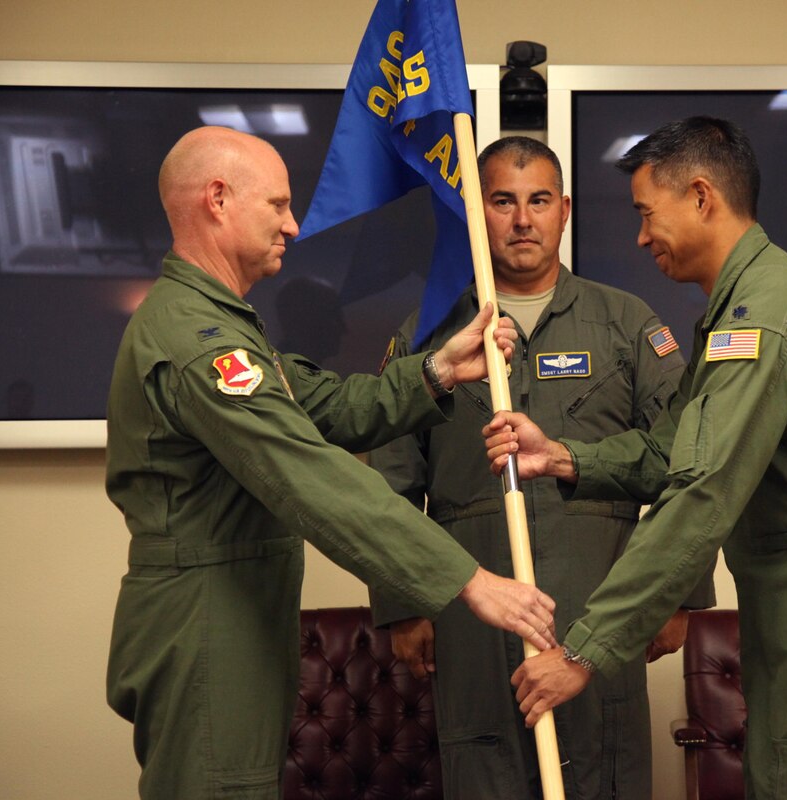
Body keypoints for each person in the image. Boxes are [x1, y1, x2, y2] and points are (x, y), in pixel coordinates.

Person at [485, 117, 787, 800]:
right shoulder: (736, 311)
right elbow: (672, 447)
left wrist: (583, 650)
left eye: (646, 213)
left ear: (700, 197)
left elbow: (702, 491)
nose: (639, 237)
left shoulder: (763, 319)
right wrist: (566, 457)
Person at [104, 126, 557, 800]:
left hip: (236, 610)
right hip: (205, 619)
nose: (292, 224)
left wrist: (436, 370)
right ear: (218, 199)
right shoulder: (194, 340)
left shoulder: (223, 323)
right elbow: (307, 474)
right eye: (278, 205)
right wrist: (466, 578)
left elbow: (329, 405)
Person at [367, 136, 714, 800]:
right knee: (483, 775)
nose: (522, 220)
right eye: (502, 201)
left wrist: (679, 593)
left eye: (538, 201)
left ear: (565, 211)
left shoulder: (626, 324)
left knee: (603, 771)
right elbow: (388, 481)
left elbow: (685, 463)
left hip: (598, 611)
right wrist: (402, 604)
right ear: (478, 213)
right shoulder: (428, 335)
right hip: (473, 618)